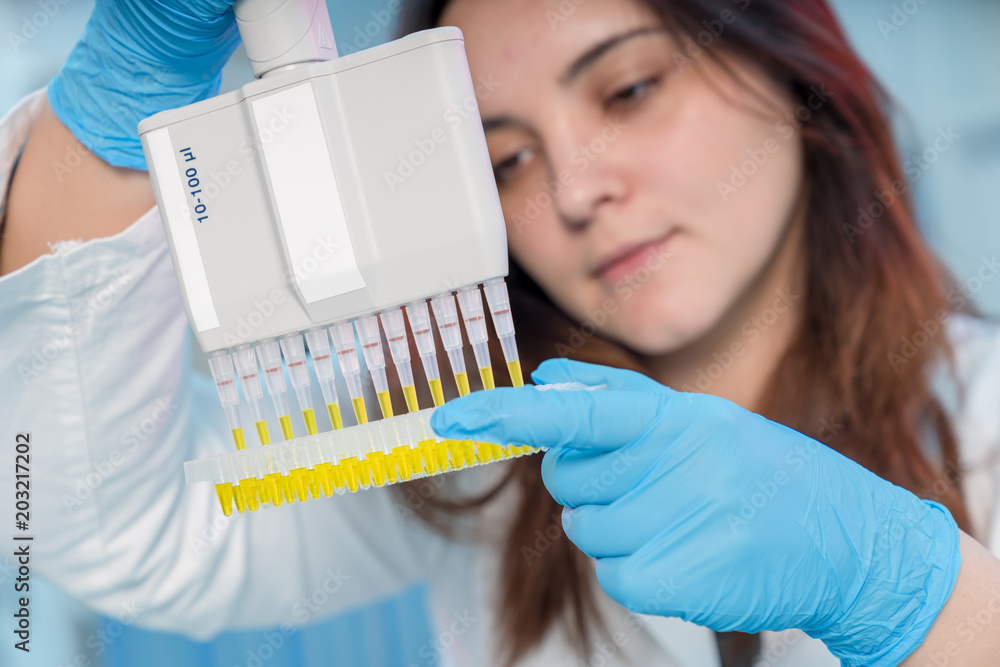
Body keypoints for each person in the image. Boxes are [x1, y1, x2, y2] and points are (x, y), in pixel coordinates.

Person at [0, 1, 998, 667]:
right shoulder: (474, 445)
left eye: (629, 90)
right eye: (504, 158)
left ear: (794, 71)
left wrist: (910, 589)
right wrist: (116, 101)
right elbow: (104, 527)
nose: (571, 190)